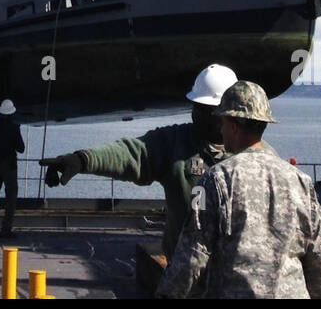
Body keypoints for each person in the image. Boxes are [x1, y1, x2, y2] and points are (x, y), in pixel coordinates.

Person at [157, 80, 321, 299]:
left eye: (221, 121)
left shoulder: (214, 180)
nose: (219, 128)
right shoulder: (302, 182)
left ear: (233, 126)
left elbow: (192, 257)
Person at [38, 64, 237, 256]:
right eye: (197, 107)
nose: (199, 114)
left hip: (233, 278)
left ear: (229, 112)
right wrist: (82, 160)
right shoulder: (175, 143)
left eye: (208, 109)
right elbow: (132, 153)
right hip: (183, 276)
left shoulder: (255, 158)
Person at [0, 98, 24, 238]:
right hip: (10, 167)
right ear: (11, 113)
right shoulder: (14, 127)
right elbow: (21, 148)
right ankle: (6, 229)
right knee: (10, 199)